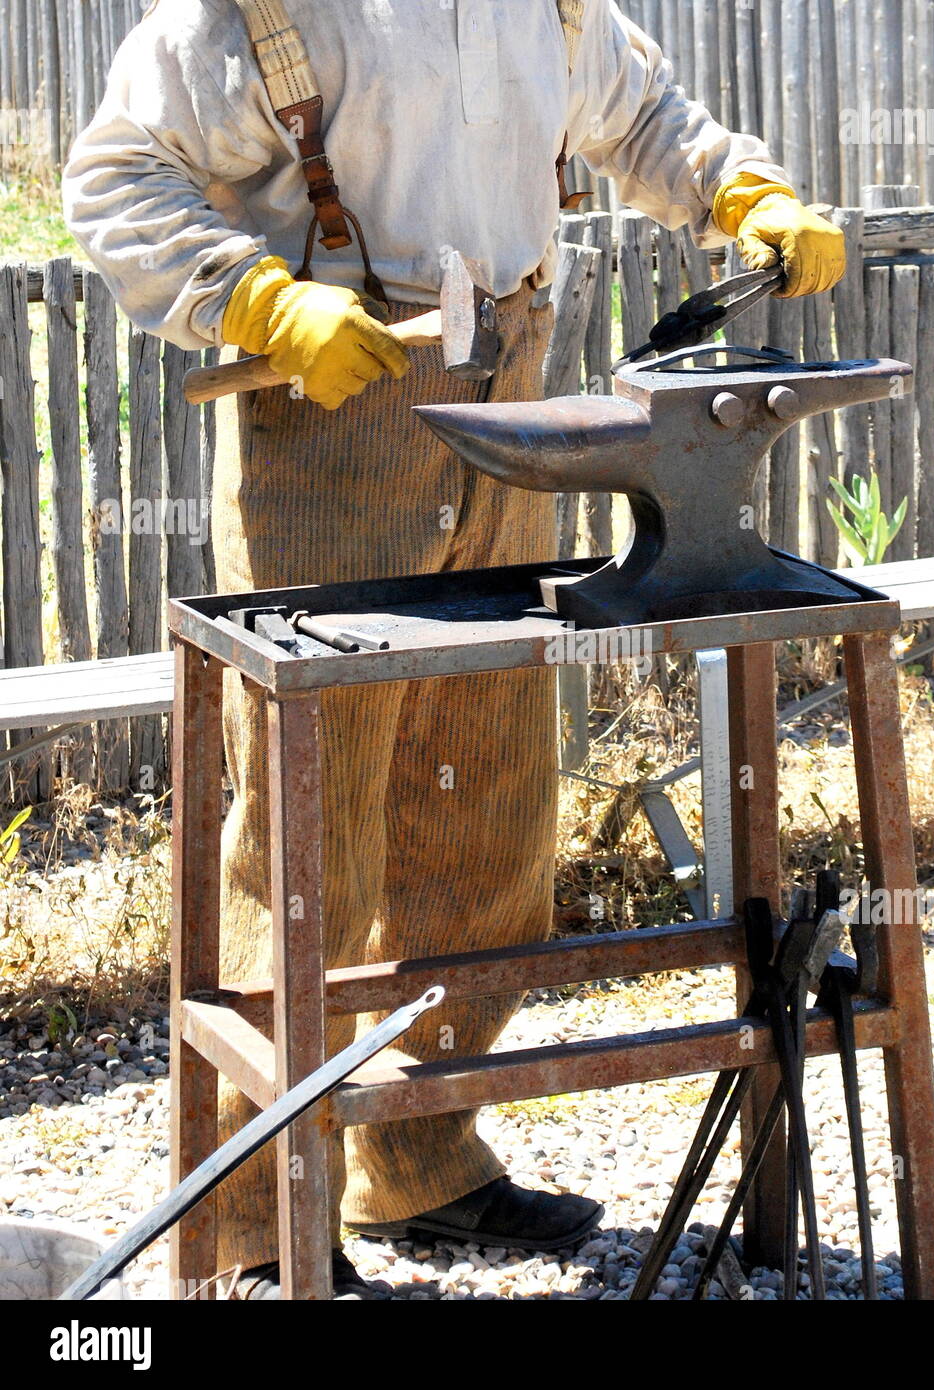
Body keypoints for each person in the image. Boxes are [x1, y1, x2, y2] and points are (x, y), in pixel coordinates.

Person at [64, 0, 845, 1298]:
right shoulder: (260, 11)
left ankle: (418, 1163)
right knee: (307, 851)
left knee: (483, 813)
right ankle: (253, 1220)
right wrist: (256, 297)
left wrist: (738, 191)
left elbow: (637, 116)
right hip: (326, 422)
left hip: (511, 397)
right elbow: (115, 174)